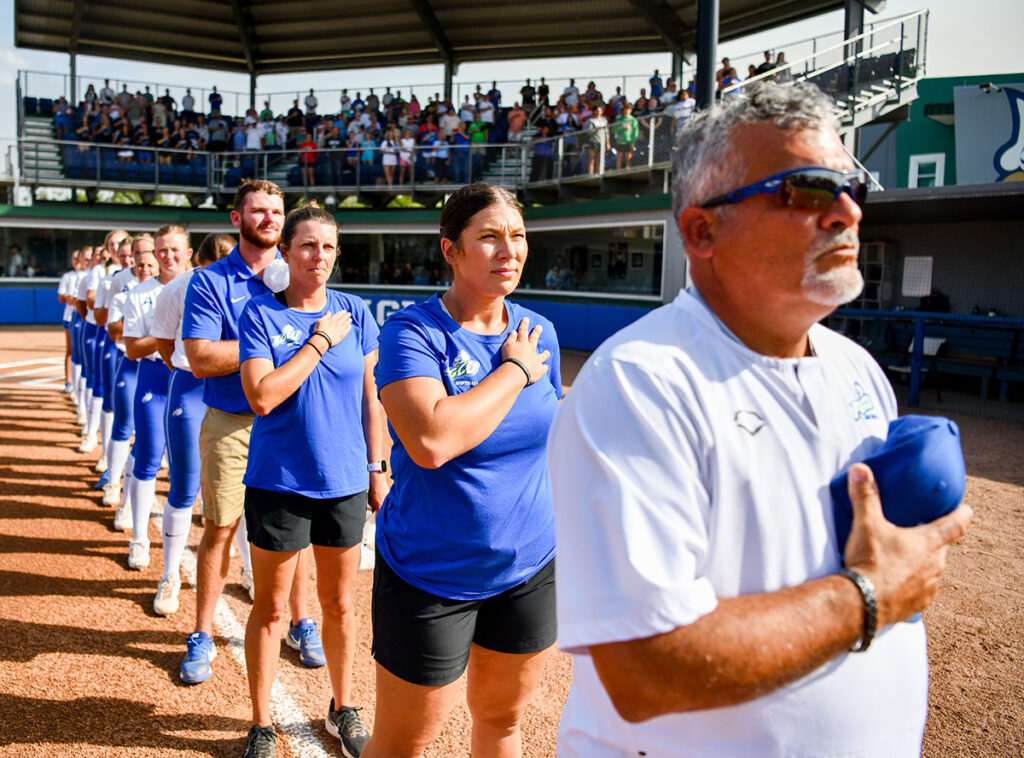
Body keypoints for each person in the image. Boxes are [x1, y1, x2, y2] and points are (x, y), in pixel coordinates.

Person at [547, 81, 973, 758]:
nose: (844, 213)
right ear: (702, 229)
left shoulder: (858, 369)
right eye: (805, 189)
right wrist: (869, 596)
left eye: (851, 186)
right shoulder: (639, 380)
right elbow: (644, 669)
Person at [363, 184, 561, 758]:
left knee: (501, 723)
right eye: (490, 237)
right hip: (431, 572)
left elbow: (552, 433)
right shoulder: (412, 331)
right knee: (403, 742)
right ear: (450, 250)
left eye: (518, 236)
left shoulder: (536, 330)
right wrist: (513, 372)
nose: (509, 251)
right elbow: (430, 440)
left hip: (526, 566)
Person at [238, 203, 389, 758]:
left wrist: (378, 467)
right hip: (279, 481)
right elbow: (262, 395)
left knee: (341, 604)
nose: (318, 257)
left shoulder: (355, 311)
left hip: (345, 479)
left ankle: (342, 705)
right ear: (286, 251)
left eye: (327, 247)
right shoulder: (260, 315)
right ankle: (259, 722)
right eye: (307, 245)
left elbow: (372, 398)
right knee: (274, 609)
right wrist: (319, 341)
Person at [181, 179, 321, 686]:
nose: (269, 219)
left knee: (295, 533)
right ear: (236, 219)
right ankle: (200, 632)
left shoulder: (299, 273)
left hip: (288, 422)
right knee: (219, 528)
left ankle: (302, 622)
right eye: (258, 211)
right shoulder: (209, 282)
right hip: (232, 423)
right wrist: (270, 345)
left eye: (277, 212)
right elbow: (200, 358)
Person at [149, 233, 235, 616]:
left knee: (246, 488)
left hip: (235, 388)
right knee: (184, 485)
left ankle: (247, 568)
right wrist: (186, 367)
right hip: (190, 384)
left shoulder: (253, 283)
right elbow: (164, 344)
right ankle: (169, 575)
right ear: (198, 260)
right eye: (211, 260)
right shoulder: (181, 287)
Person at [122, 225, 193, 571]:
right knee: (148, 458)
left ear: (189, 252)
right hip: (154, 377)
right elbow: (133, 348)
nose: (168, 256)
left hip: (193, 380)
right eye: (161, 249)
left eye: (175, 249)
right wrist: (166, 333)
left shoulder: (201, 285)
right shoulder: (140, 293)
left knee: (197, 470)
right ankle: (139, 537)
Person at [106, 235, 155, 519]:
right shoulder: (124, 293)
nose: (145, 267)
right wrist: (158, 337)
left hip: (164, 371)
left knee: (154, 442)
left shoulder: (171, 290)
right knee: (125, 428)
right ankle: (116, 489)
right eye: (140, 262)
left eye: (150, 261)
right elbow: (116, 331)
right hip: (130, 363)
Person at [612, 103, 638, 170]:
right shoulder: (619, 120)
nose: (626, 111)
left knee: (628, 158)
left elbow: (636, 132)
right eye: (625, 109)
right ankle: (618, 171)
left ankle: (628, 171)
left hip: (629, 141)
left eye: (628, 109)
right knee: (619, 158)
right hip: (620, 141)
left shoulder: (633, 120)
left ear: (630, 110)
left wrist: (633, 141)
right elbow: (614, 130)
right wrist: (623, 127)